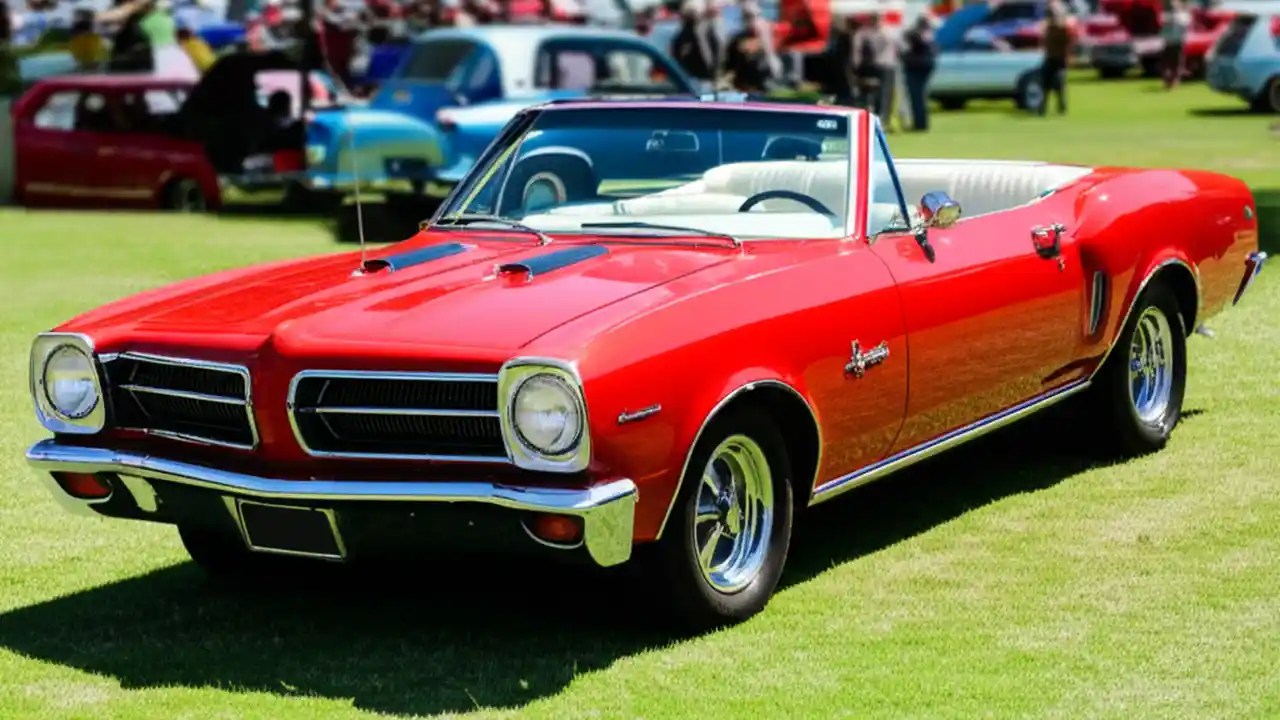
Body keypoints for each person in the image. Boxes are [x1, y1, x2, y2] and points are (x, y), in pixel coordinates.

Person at [853, 12, 896, 125]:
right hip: (874, 66)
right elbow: (857, 48)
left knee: (884, 94)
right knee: (875, 94)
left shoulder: (886, 31)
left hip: (885, 65)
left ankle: (883, 119)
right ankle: (876, 118)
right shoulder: (865, 32)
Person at [900, 14, 937, 131]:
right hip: (924, 66)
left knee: (916, 98)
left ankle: (919, 124)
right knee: (920, 98)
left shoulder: (917, 36)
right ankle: (921, 123)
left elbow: (911, 39)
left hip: (916, 67)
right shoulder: (930, 35)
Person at [671, 1, 719, 88]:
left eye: (693, 13)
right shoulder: (682, 35)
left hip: (704, 80)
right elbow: (675, 59)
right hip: (686, 80)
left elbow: (711, 61)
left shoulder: (707, 32)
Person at [1039, 0, 1070, 115]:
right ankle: (1047, 107)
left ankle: (1059, 106)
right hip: (1052, 57)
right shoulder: (1051, 28)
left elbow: (1066, 43)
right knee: (1047, 83)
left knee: (1057, 82)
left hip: (1057, 58)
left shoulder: (1059, 29)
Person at [1161, 0, 1190, 89]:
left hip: (1175, 42)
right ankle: (1170, 80)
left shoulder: (1181, 16)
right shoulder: (1168, 16)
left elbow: (1185, 28)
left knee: (1174, 62)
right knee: (1171, 62)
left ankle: (1173, 80)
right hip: (1171, 42)